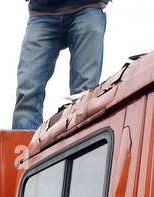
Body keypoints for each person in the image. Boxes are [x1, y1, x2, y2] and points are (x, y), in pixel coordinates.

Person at [12, 1, 109, 132]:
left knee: (84, 94)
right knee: (28, 89)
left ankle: (81, 145)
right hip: (42, 12)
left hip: (88, 7)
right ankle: (24, 147)